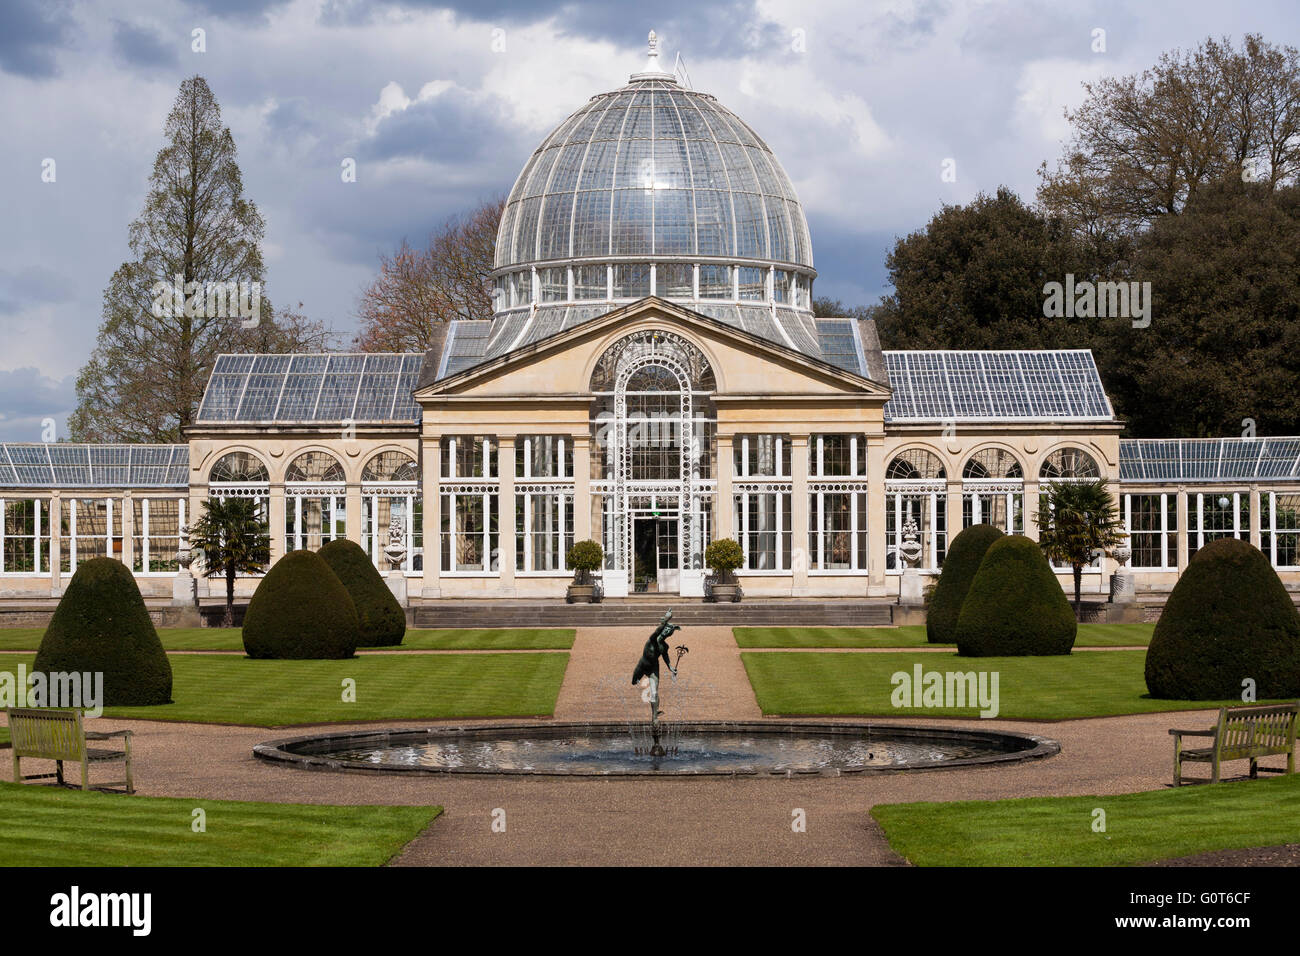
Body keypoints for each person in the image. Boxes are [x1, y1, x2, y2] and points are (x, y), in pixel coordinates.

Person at [632, 609, 679, 722]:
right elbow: (657, 630)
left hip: (654, 667)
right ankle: (655, 711)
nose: (667, 631)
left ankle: (654, 718)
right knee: (634, 681)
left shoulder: (665, 646)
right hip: (642, 665)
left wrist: (670, 667)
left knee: (654, 692)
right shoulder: (653, 639)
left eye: (669, 631)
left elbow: (665, 656)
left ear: (670, 635)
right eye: (666, 629)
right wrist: (666, 618)